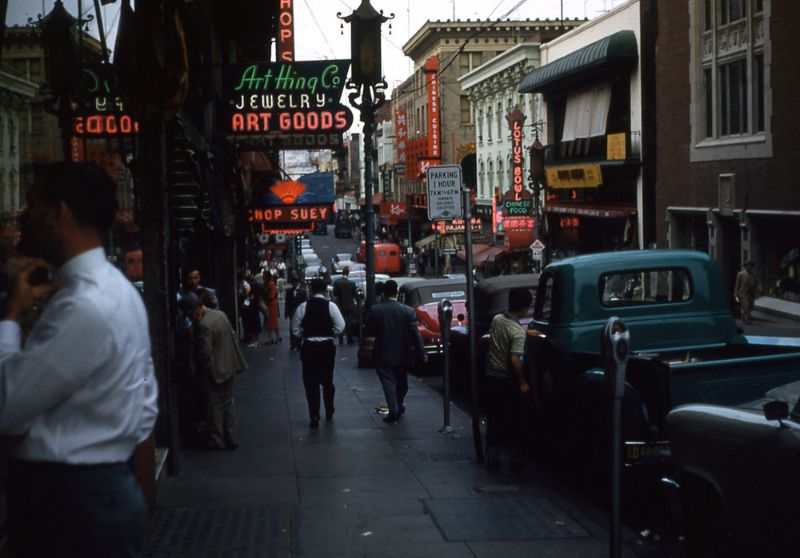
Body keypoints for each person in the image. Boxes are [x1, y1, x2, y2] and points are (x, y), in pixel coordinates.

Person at [0, 161, 158, 556]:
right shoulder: (116, 291)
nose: (23, 215)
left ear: (60, 213)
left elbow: (7, 405)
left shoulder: (84, 305)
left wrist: (10, 317)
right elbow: (144, 407)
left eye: (33, 203)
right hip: (90, 498)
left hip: (71, 507)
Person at [179, 292, 247, 450]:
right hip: (229, 365)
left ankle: (217, 439)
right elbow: (233, 335)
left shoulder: (204, 325)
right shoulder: (220, 314)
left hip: (215, 370)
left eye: (191, 314)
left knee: (215, 404)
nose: (192, 318)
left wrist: (204, 368)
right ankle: (231, 436)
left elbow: (205, 353)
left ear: (197, 309)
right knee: (228, 402)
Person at [364, 279, 427, 424]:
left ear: (384, 293)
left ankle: (394, 409)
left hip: (383, 353)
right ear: (397, 293)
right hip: (403, 353)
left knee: (388, 382)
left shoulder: (376, 310)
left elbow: (368, 330)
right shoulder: (408, 311)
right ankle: (398, 405)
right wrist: (422, 353)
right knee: (402, 382)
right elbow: (416, 334)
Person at [484, 287, 533, 470]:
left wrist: (526, 332)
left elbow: (507, 331)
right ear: (525, 308)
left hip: (492, 376)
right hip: (507, 379)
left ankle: (492, 455)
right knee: (514, 418)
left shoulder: (497, 319)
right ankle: (515, 456)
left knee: (495, 418)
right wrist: (522, 382)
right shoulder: (518, 332)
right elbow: (515, 359)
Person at [291, 278, 345, 428]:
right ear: (325, 290)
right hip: (327, 347)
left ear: (311, 290)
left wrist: (304, 334)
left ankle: (314, 415)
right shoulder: (331, 306)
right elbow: (341, 327)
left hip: (309, 347)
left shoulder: (303, 307)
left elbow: (295, 329)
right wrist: (330, 333)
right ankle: (329, 409)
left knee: (311, 383)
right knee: (327, 381)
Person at [332, 266, 358, 345]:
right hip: (350, 305)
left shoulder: (337, 282)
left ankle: (341, 339)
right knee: (349, 322)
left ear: (342, 272)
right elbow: (354, 294)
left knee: (341, 322)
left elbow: (335, 294)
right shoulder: (352, 283)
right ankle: (350, 339)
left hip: (340, 304)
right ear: (348, 273)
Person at [284, 274, 307, 351]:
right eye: (293, 282)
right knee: (291, 328)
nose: (294, 283)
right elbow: (287, 303)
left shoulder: (303, 291)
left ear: (298, 282)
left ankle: (299, 344)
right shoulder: (289, 291)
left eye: (295, 282)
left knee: (300, 328)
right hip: (292, 312)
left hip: (300, 313)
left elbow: (305, 303)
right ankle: (292, 344)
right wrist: (286, 313)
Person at [735, 260, 760, 324]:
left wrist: (757, 291)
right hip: (743, 293)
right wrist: (736, 294)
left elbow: (756, 284)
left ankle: (744, 314)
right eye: (748, 266)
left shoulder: (754, 274)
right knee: (746, 305)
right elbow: (737, 285)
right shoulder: (741, 274)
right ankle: (747, 319)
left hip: (751, 293)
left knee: (751, 306)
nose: (749, 267)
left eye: (751, 266)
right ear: (745, 267)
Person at [263, 270, 281, 344]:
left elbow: (272, 295)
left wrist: (266, 298)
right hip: (270, 304)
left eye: (264, 275)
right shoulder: (267, 284)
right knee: (271, 321)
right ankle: (277, 336)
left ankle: (271, 338)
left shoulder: (271, 284)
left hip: (272, 304)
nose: (263, 277)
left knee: (271, 321)